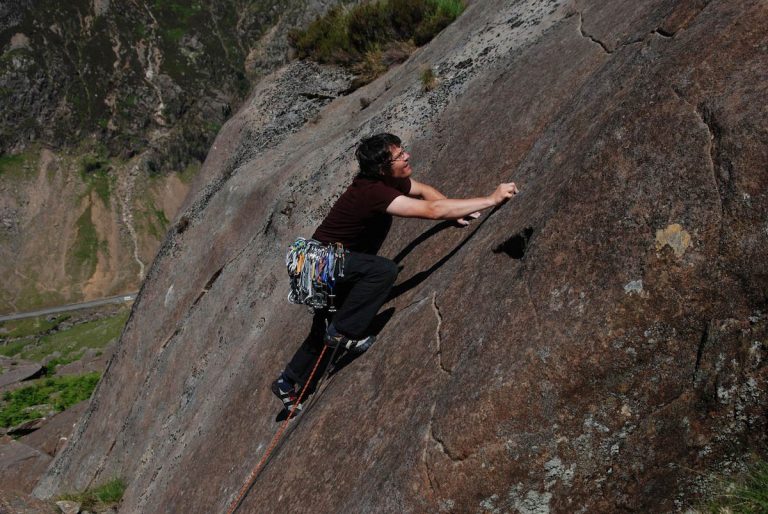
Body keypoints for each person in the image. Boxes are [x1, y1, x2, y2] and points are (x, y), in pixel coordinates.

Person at [272, 133, 519, 412]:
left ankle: (288, 381)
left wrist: (455, 212)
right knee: (382, 273)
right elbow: (432, 210)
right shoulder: (373, 192)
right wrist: (489, 199)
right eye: (399, 156)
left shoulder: (387, 181)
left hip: (322, 262)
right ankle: (343, 332)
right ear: (381, 168)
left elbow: (427, 194)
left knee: (326, 324)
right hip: (319, 261)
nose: (407, 156)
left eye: (403, 151)